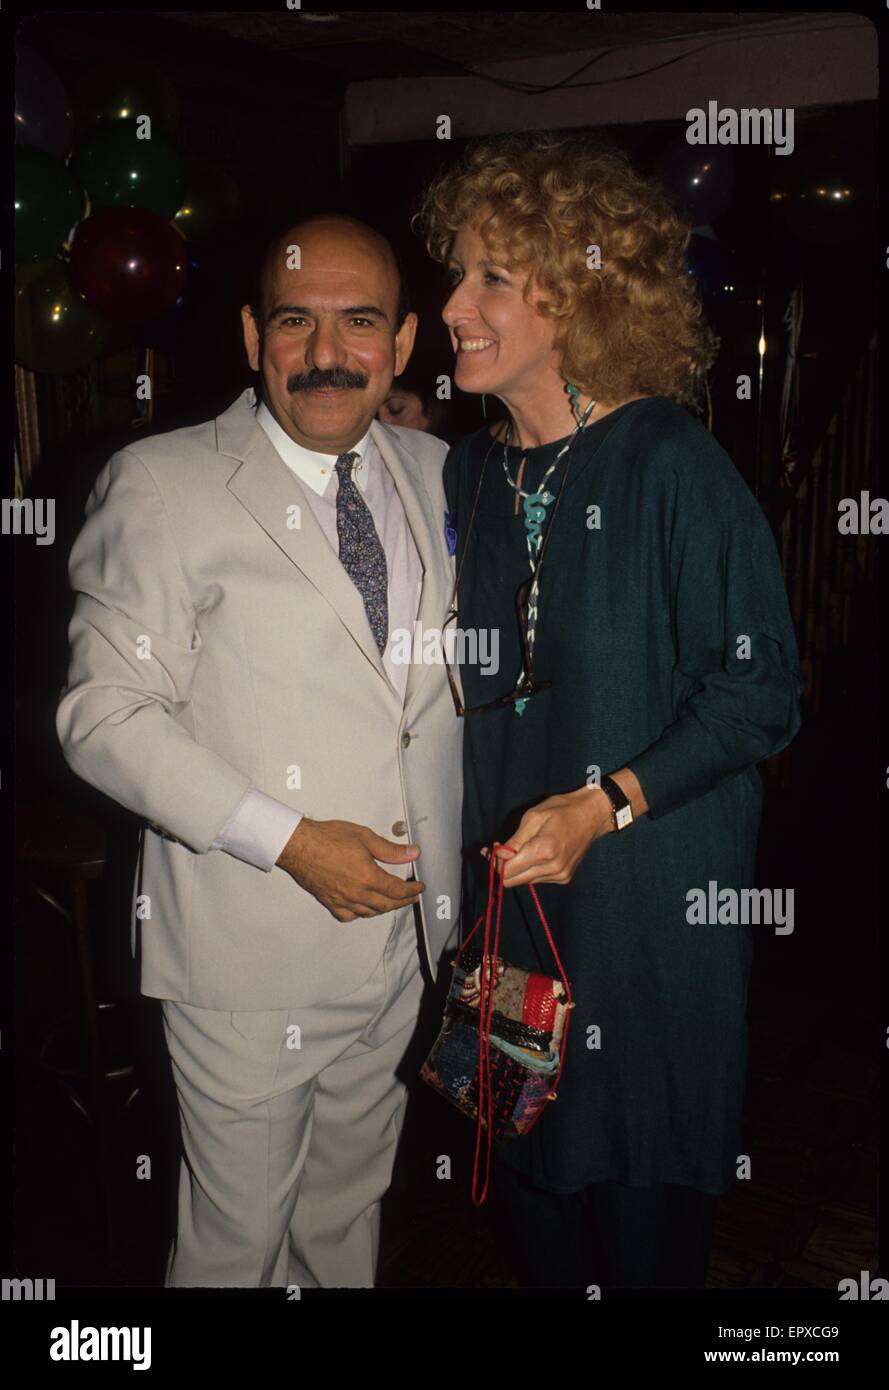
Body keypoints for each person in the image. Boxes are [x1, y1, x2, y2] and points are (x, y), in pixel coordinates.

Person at [414, 132, 805, 1289]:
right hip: (517, 897)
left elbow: (759, 692)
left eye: (491, 275)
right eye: (458, 272)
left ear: (580, 291)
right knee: (532, 1181)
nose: (451, 304)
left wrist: (606, 806)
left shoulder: (670, 462)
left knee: (636, 1203)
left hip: (645, 899)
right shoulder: (470, 475)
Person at [56, 214, 463, 1288]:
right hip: (249, 955)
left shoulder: (436, 473)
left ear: (405, 341)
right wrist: (286, 840)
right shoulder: (161, 483)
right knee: (233, 1251)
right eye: (296, 321)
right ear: (251, 336)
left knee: (342, 1219)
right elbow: (102, 714)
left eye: (359, 322)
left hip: (403, 946)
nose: (327, 353)